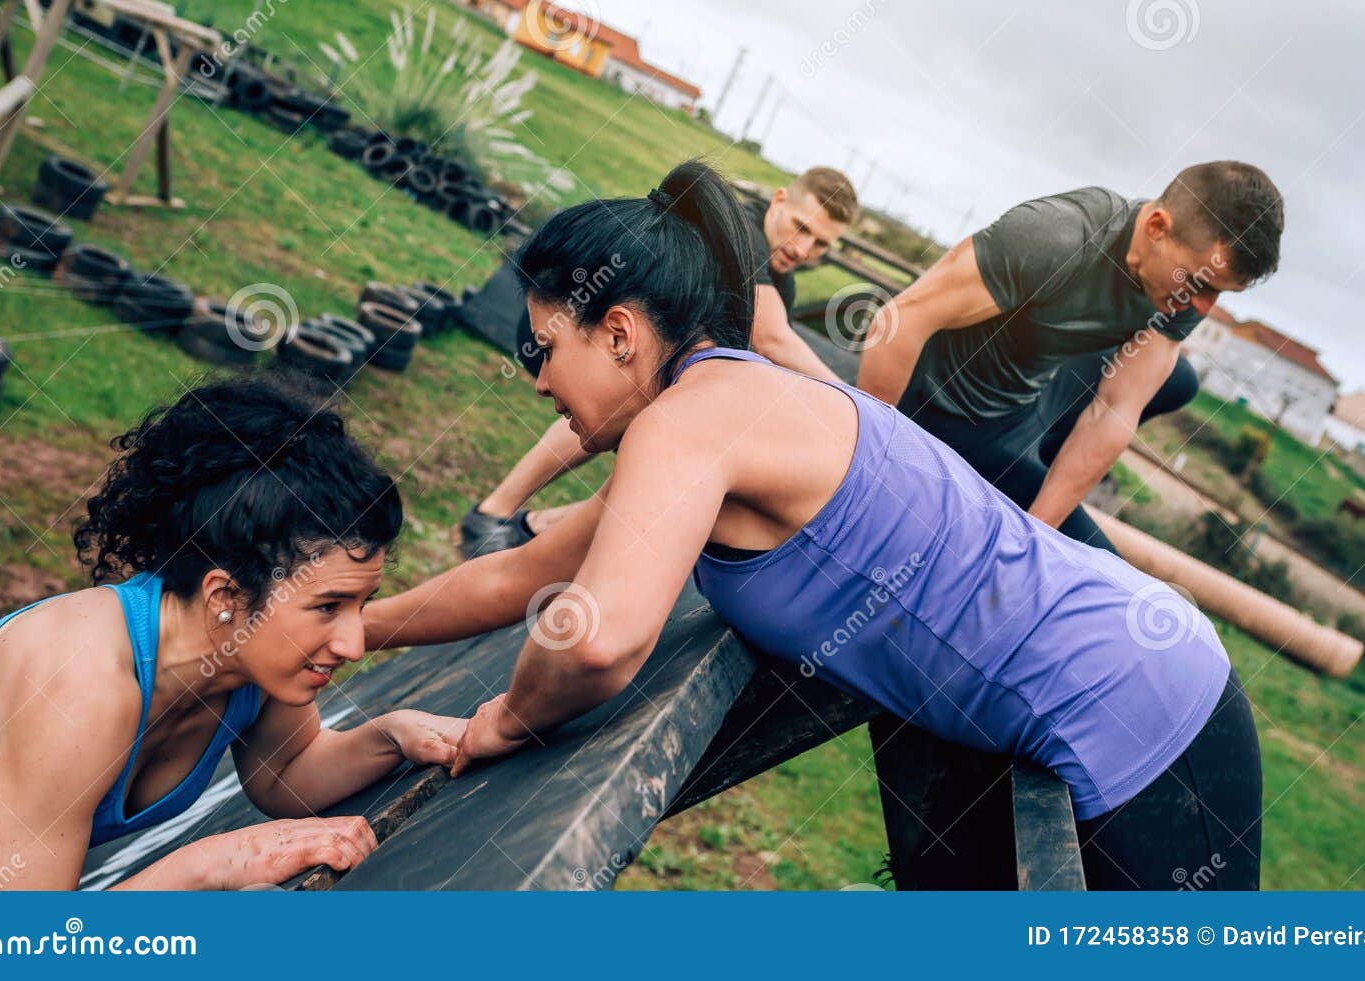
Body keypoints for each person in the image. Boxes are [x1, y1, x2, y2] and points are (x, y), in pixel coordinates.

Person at [364, 161, 1263, 890]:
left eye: (545, 350)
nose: (537, 382)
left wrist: (509, 720)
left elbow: (595, 642)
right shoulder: (718, 408)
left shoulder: (694, 419)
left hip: (1144, 709)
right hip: (1135, 664)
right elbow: (516, 577)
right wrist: (358, 626)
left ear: (621, 333)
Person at [0, 377, 466, 890]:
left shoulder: (246, 660)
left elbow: (287, 774)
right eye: (327, 607)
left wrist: (392, 737)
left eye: (360, 605)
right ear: (225, 595)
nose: (354, 643)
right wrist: (205, 866)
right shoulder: (83, 686)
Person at [857, 162, 1285, 554]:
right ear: (1156, 226)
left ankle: (1041, 464)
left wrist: (1028, 542)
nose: (1204, 307)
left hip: (1020, 413)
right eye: (1199, 283)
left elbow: (1115, 411)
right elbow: (901, 320)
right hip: (933, 407)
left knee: (1178, 380)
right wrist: (873, 463)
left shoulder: (1184, 295)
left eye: (1219, 293)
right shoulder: (1059, 234)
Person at [459, 166, 860, 557]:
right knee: (610, 404)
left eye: (820, 245)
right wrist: (859, 404)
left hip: (648, 370)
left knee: (663, 450)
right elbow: (771, 336)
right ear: (778, 200)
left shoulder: (780, 278)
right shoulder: (747, 237)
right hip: (577, 332)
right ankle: (497, 512)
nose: (803, 249)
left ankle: (535, 527)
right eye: (801, 227)